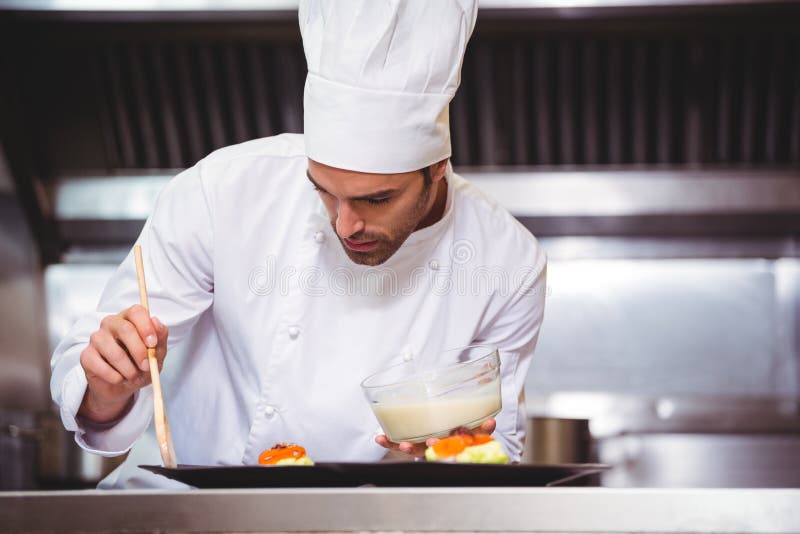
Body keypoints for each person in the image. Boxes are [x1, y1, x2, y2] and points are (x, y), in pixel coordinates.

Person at [50, 0, 547, 489]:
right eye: (324, 192)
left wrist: (448, 454)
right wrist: (107, 384)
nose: (345, 224)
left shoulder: (507, 261)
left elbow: (490, 460)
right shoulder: (224, 191)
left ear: (437, 169)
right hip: (181, 516)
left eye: (376, 199)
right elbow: (91, 387)